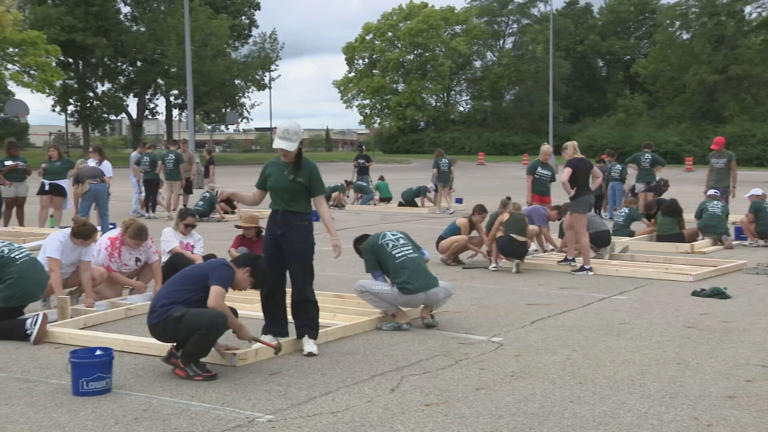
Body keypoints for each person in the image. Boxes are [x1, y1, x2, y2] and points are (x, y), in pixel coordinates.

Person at [218, 120, 341, 357]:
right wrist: (233, 193)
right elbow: (255, 198)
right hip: (276, 224)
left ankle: (307, 334)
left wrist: (333, 235)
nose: (283, 152)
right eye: (280, 147)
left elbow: (321, 204)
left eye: (288, 147)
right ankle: (272, 328)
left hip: (300, 225)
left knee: (302, 281)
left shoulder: (309, 169)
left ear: (300, 144)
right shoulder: (271, 166)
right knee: (270, 280)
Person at [147, 253, 266, 381]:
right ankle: (187, 362)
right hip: (163, 321)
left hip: (166, 319)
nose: (245, 289)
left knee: (230, 313)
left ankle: (178, 353)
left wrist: (213, 342)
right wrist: (240, 328)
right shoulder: (224, 269)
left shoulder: (219, 267)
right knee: (221, 317)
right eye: (249, 284)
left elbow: (206, 307)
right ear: (246, 271)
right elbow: (214, 304)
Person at [353, 231, 452, 331]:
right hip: (434, 293)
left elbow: (379, 279)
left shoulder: (366, 246)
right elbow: (426, 256)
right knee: (447, 287)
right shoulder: (400, 234)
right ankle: (426, 314)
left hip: (408, 295)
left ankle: (401, 318)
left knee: (360, 286)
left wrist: (386, 306)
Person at [37, 218, 107, 308]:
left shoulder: (87, 245)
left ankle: (73, 295)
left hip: (68, 274)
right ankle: (45, 296)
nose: (94, 241)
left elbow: (85, 271)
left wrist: (89, 296)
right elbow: (54, 271)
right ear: (82, 241)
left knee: (100, 274)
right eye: (93, 239)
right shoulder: (57, 240)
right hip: (47, 276)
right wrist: (61, 300)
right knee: (52, 283)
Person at [558, 141, 603, 275]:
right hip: (587, 197)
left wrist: (570, 193)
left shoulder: (571, 162)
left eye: (563, 153)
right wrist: (590, 189)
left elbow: (563, 179)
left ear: (566, 151)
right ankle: (570, 257)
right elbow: (599, 175)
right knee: (568, 225)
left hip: (579, 199)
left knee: (582, 233)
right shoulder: (586, 161)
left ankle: (587, 266)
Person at [92, 218, 162, 299]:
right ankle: (92, 291)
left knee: (158, 256)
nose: (140, 246)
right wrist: (133, 284)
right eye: (136, 244)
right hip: (105, 275)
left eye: (142, 244)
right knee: (113, 296)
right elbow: (111, 273)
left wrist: (158, 284)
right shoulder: (111, 244)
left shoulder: (145, 240)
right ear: (125, 236)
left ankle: (136, 292)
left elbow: (155, 260)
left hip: (127, 270)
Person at [0, 241, 49, 344]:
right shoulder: (4, 243)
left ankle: (27, 325)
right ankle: (13, 317)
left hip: (19, 284)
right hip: (38, 280)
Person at [161, 208, 213, 282]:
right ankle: (198, 279)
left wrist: (198, 261)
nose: (189, 228)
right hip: (170, 270)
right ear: (179, 221)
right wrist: (196, 260)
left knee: (211, 258)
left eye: (193, 226)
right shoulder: (168, 232)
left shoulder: (197, 237)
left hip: (191, 266)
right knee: (178, 257)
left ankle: (203, 281)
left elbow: (198, 255)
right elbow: (175, 250)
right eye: (186, 225)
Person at [486, 202, 539, 273]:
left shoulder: (504, 215)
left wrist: (489, 249)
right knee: (526, 241)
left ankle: (494, 263)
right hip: (522, 250)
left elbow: (491, 235)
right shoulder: (525, 218)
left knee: (498, 232)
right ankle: (517, 260)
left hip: (508, 246)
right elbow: (526, 235)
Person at [36, 144, 75, 228]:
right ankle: (40, 227)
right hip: (46, 184)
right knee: (43, 207)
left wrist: (71, 172)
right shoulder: (45, 162)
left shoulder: (65, 161)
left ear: (58, 152)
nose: (51, 153)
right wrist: (42, 169)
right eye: (49, 151)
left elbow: (76, 166)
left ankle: (55, 227)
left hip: (59, 184)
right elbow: (39, 174)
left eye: (53, 151)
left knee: (57, 208)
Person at [626, 142, 666, 216]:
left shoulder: (637, 155)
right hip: (651, 177)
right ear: (651, 148)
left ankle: (641, 214)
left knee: (641, 197)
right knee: (650, 197)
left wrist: (635, 167)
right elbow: (663, 163)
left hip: (640, 178)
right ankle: (650, 212)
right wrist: (655, 169)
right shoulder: (653, 155)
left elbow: (627, 161)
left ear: (642, 148)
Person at [72, 159, 110, 235]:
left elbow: (75, 192)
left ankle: (81, 234)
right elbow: (107, 182)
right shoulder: (97, 169)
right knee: (104, 215)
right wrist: (103, 196)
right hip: (102, 186)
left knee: (83, 214)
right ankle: (106, 234)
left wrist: (76, 209)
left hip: (89, 187)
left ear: (77, 167)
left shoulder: (77, 173)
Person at [0, 139, 31, 226]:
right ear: (9, 150)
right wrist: (9, 168)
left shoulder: (22, 159)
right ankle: (5, 226)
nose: (16, 151)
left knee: (20, 206)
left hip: (21, 183)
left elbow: (29, 174)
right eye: (14, 149)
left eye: (17, 148)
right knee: (9, 206)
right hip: (9, 184)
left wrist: (27, 168)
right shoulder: (3, 160)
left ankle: (21, 226)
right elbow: (1, 173)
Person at [705, 136, 737, 204]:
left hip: (723, 186)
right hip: (712, 185)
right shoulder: (712, 155)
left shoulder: (729, 155)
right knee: (709, 205)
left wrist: (733, 187)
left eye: (718, 147)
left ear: (723, 145)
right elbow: (710, 171)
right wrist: (706, 186)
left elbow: (734, 171)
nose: (716, 149)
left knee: (722, 206)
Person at [159, 141, 184, 219]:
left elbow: (162, 167)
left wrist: (165, 175)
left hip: (168, 178)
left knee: (168, 196)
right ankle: (175, 211)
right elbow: (181, 168)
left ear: (169, 146)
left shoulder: (164, 155)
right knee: (176, 195)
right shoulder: (178, 155)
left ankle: (168, 213)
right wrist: (183, 178)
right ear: (177, 146)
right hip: (176, 178)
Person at [136, 143, 160, 219]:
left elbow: (136, 164)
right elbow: (159, 162)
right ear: (152, 148)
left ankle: (146, 213)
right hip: (154, 177)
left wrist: (139, 173)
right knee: (154, 195)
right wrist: (157, 171)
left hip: (145, 177)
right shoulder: (154, 156)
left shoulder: (142, 156)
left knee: (147, 195)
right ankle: (153, 213)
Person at [604, 150, 627, 219]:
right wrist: (623, 182)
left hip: (611, 183)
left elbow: (607, 174)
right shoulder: (623, 166)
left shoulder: (611, 165)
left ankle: (610, 215)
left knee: (610, 200)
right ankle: (618, 216)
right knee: (619, 201)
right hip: (619, 183)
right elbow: (624, 175)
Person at [432, 148, 454, 214]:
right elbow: (452, 170)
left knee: (439, 194)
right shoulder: (448, 160)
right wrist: (451, 178)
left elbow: (435, 171)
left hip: (440, 178)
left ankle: (438, 209)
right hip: (447, 178)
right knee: (446, 194)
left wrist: (434, 179)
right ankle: (450, 208)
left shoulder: (436, 160)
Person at [129, 142, 145, 217]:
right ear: (140, 148)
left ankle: (139, 209)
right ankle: (134, 210)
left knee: (140, 193)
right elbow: (133, 167)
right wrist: (137, 176)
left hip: (140, 174)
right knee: (137, 193)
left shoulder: (140, 155)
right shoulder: (134, 155)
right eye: (144, 149)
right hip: (136, 176)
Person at [179, 139, 196, 208]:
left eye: (185, 146)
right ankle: (175, 206)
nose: (183, 147)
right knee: (177, 191)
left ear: (187, 145)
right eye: (182, 145)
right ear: (180, 145)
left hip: (187, 175)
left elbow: (193, 164)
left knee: (186, 192)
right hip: (178, 175)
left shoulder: (190, 154)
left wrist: (193, 174)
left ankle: (185, 205)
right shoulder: (177, 153)